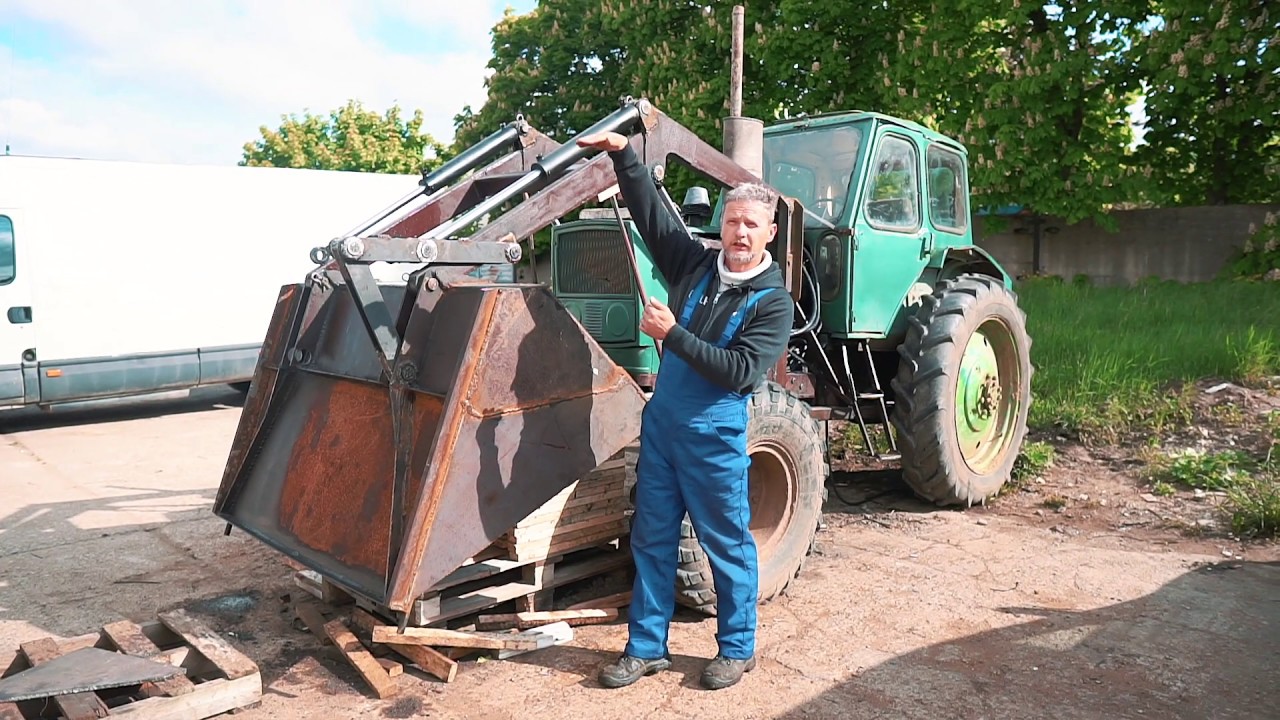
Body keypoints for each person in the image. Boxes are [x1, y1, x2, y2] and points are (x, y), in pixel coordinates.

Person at [575, 131, 794, 691]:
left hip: (714, 436)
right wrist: (625, 155)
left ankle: (737, 648)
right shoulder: (696, 266)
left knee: (726, 544)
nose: (739, 233)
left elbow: (740, 371)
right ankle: (647, 647)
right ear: (721, 225)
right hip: (664, 429)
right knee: (650, 537)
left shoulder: (773, 302)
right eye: (732, 222)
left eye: (751, 225)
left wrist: (673, 336)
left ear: (769, 233)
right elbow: (655, 217)